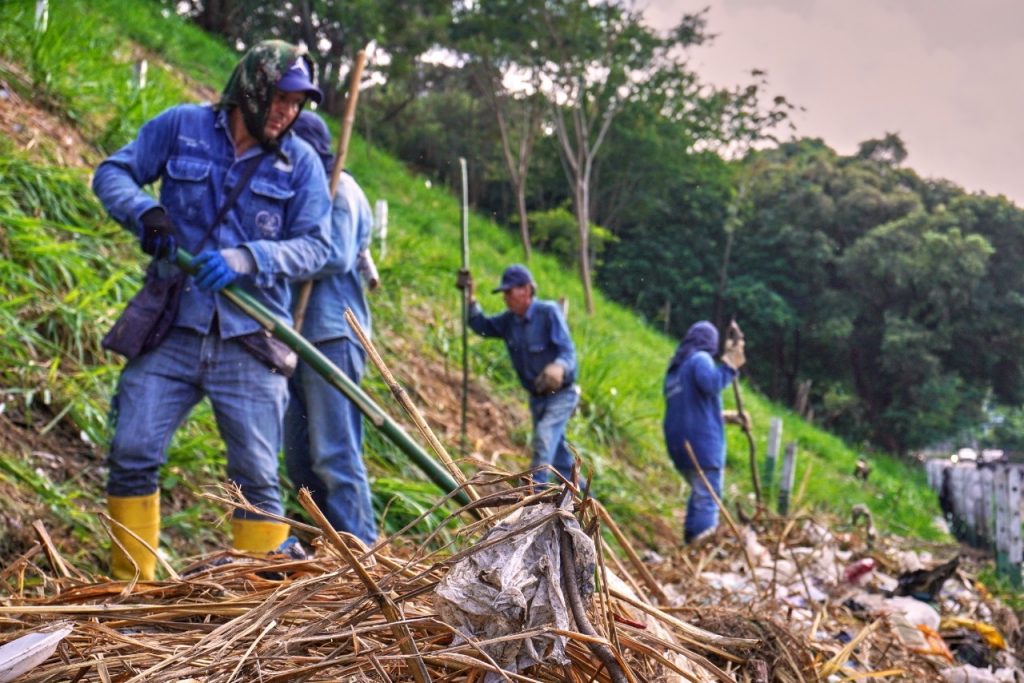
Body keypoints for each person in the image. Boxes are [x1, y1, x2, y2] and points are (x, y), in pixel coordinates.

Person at [92, 40, 332, 579]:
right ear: (250, 88)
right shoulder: (180, 127)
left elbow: (319, 247)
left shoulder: (302, 165)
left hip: (250, 338)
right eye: (279, 99)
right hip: (171, 326)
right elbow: (112, 173)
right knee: (132, 450)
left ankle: (256, 608)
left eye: (297, 104)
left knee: (254, 476)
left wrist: (250, 258)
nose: (287, 112)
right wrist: (145, 211)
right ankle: (130, 595)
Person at [284, 111, 377, 545]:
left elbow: (336, 255)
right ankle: (320, 547)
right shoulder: (308, 190)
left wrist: (277, 257)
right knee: (300, 456)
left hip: (333, 335)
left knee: (335, 452)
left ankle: (363, 552)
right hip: (297, 336)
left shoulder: (341, 188)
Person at [458, 265, 580, 486]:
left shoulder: (548, 313)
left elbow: (568, 350)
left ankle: (534, 493)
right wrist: (470, 298)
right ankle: (583, 498)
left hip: (561, 395)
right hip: (537, 398)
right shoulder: (509, 322)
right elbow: (481, 326)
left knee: (544, 437)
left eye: (508, 292)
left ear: (525, 290)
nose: (505, 298)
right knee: (559, 456)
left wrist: (559, 367)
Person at [662, 321, 747, 544]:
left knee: (700, 495)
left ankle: (690, 543)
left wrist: (730, 417)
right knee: (708, 498)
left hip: (681, 447)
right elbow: (711, 384)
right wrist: (730, 366)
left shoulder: (675, 371)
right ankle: (703, 548)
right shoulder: (700, 359)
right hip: (702, 447)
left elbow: (693, 409)